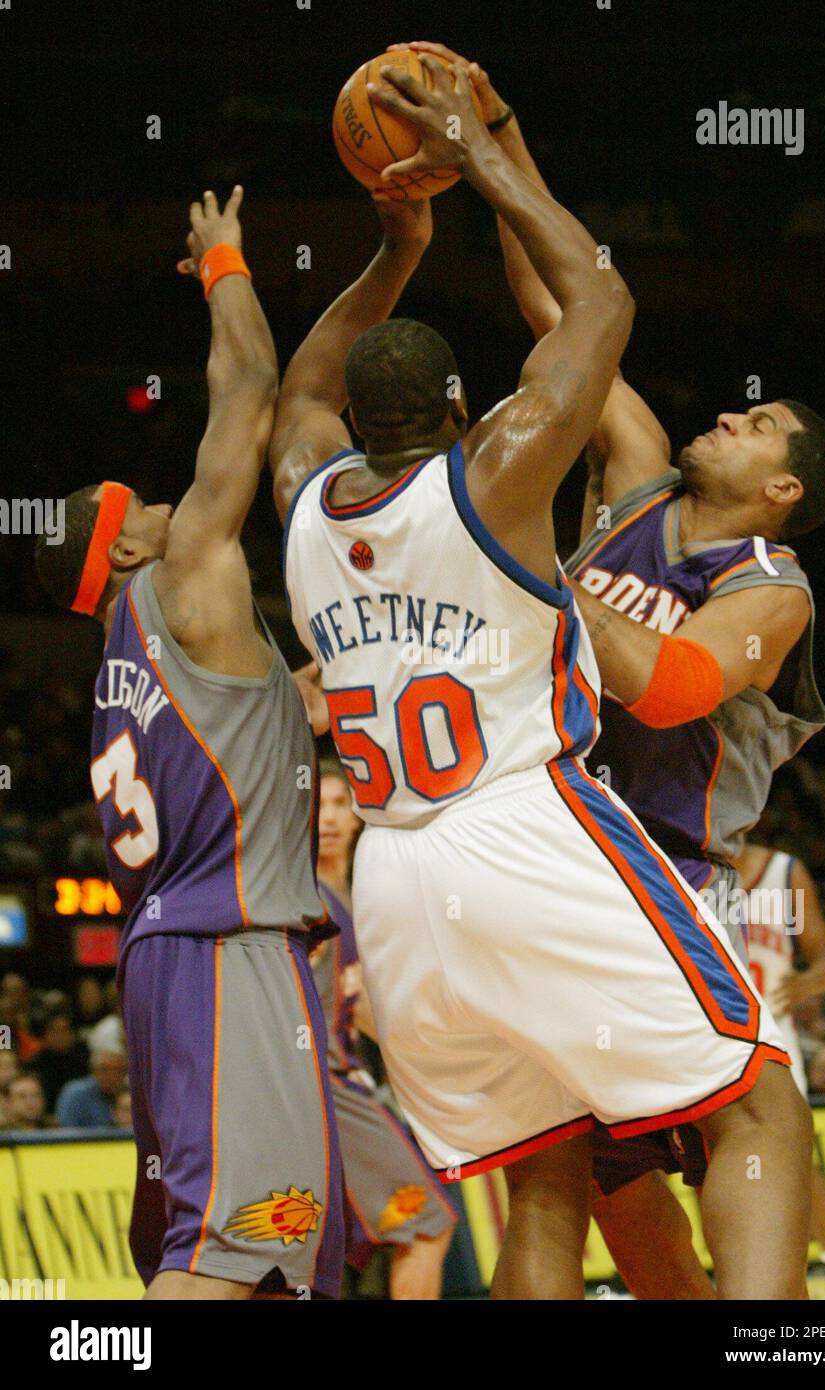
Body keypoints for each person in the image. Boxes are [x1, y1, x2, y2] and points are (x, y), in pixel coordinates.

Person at [272, 55, 810, 1300]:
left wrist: (404, 233)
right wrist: (490, 146)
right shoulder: (533, 472)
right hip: (538, 832)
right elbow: (583, 312)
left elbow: (302, 386)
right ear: (473, 409)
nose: (731, 421)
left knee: (550, 1178)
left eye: (760, 424)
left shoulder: (306, 498)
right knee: (751, 1106)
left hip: (406, 878)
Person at [34, 187, 342, 1301]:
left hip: (166, 966)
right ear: (121, 551)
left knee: (231, 1258)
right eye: (140, 503)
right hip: (230, 957)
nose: (165, 500)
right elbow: (251, 386)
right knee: (235, 1254)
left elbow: (233, 740)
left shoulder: (129, 659)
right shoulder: (186, 574)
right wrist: (224, 262)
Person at [315, 759, 457, 1299]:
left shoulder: (355, 897)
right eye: (315, 805)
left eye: (336, 804)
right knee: (424, 1223)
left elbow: (363, 1011)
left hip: (322, 1088)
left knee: (287, 1253)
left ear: (356, 815)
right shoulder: (307, 898)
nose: (326, 818)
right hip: (325, 1086)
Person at [737, 843, 825, 1295]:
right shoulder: (684, 866)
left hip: (774, 1037)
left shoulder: (784, 871)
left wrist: (806, 982)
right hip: (710, 1036)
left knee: (796, 1159)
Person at [29, 1006, 90, 1110]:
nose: (60, 1036)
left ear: (73, 1035)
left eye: (64, 1031)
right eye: (55, 1031)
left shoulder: (85, 1062)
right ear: (45, 1034)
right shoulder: (35, 1065)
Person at [56, 1046, 127, 1128]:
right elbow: (67, 1131)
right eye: (105, 1069)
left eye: (118, 1070)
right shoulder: (75, 1094)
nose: (111, 1076)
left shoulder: (131, 1094)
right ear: (93, 1070)